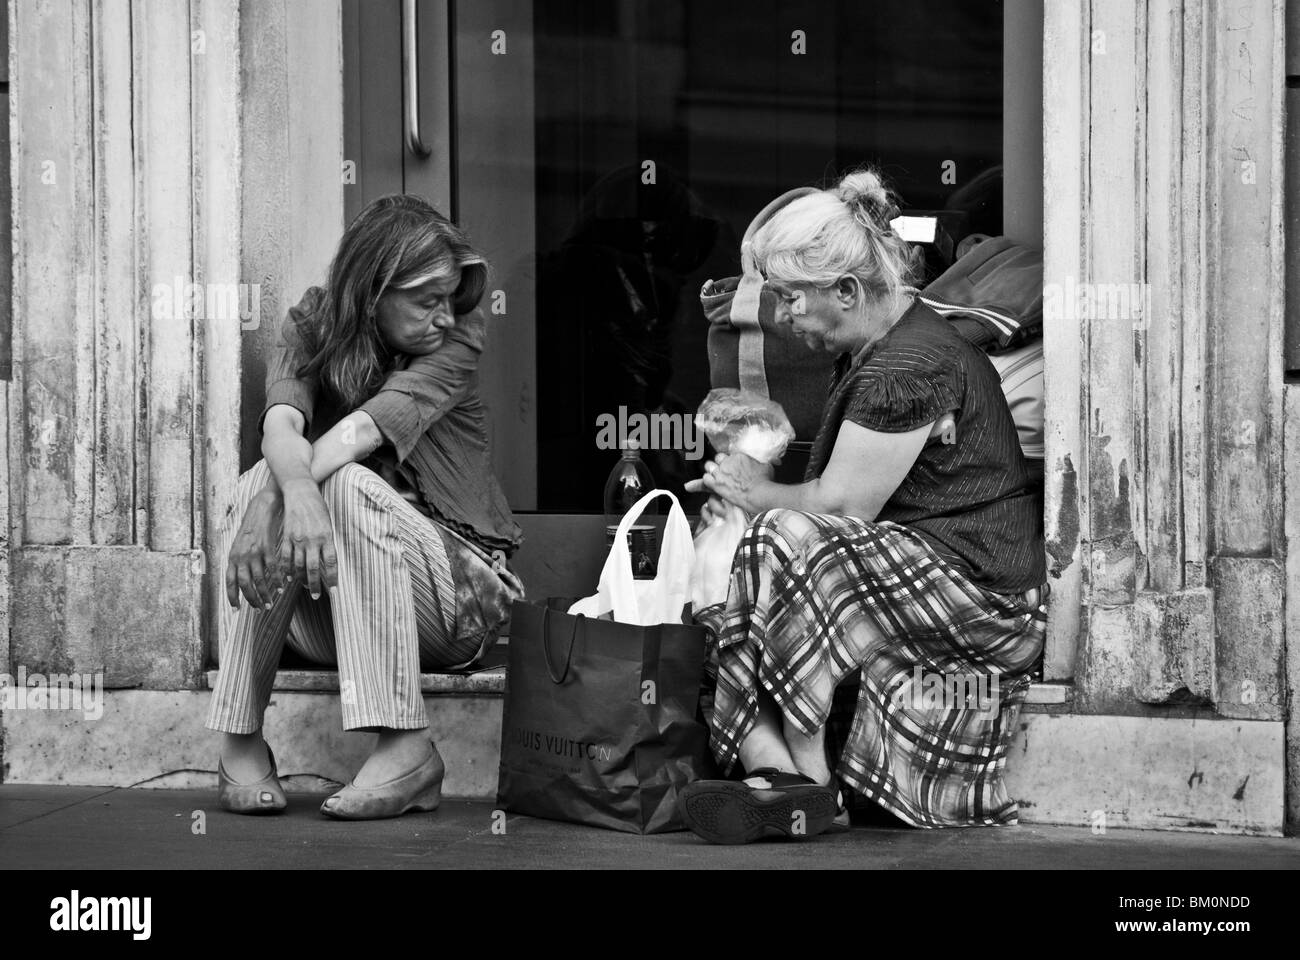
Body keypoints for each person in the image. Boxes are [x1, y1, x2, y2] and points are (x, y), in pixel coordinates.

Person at [678, 168, 1047, 844]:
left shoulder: (907, 367)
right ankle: (777, 771)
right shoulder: (879, 345)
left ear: (846, 291)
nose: (784, 319)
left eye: (790, 300)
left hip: (985, 600)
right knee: (717, 572)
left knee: (781, 534)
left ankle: (808, 777)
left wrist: (748, 492)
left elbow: (841, 509)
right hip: (919, 576)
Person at [206, 194, 524, 820]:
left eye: (449, 297)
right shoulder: (313, 321)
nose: (443, 315)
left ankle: (408, 747)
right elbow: (281, 427)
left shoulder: (457, 341)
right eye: (426, 299)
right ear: (371, 289)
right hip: (336, 612)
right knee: (256, 484)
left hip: (452, 601)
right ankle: (240, 738)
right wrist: (277, 490)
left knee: (332, 483)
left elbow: (359, 436)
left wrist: (283, 495)